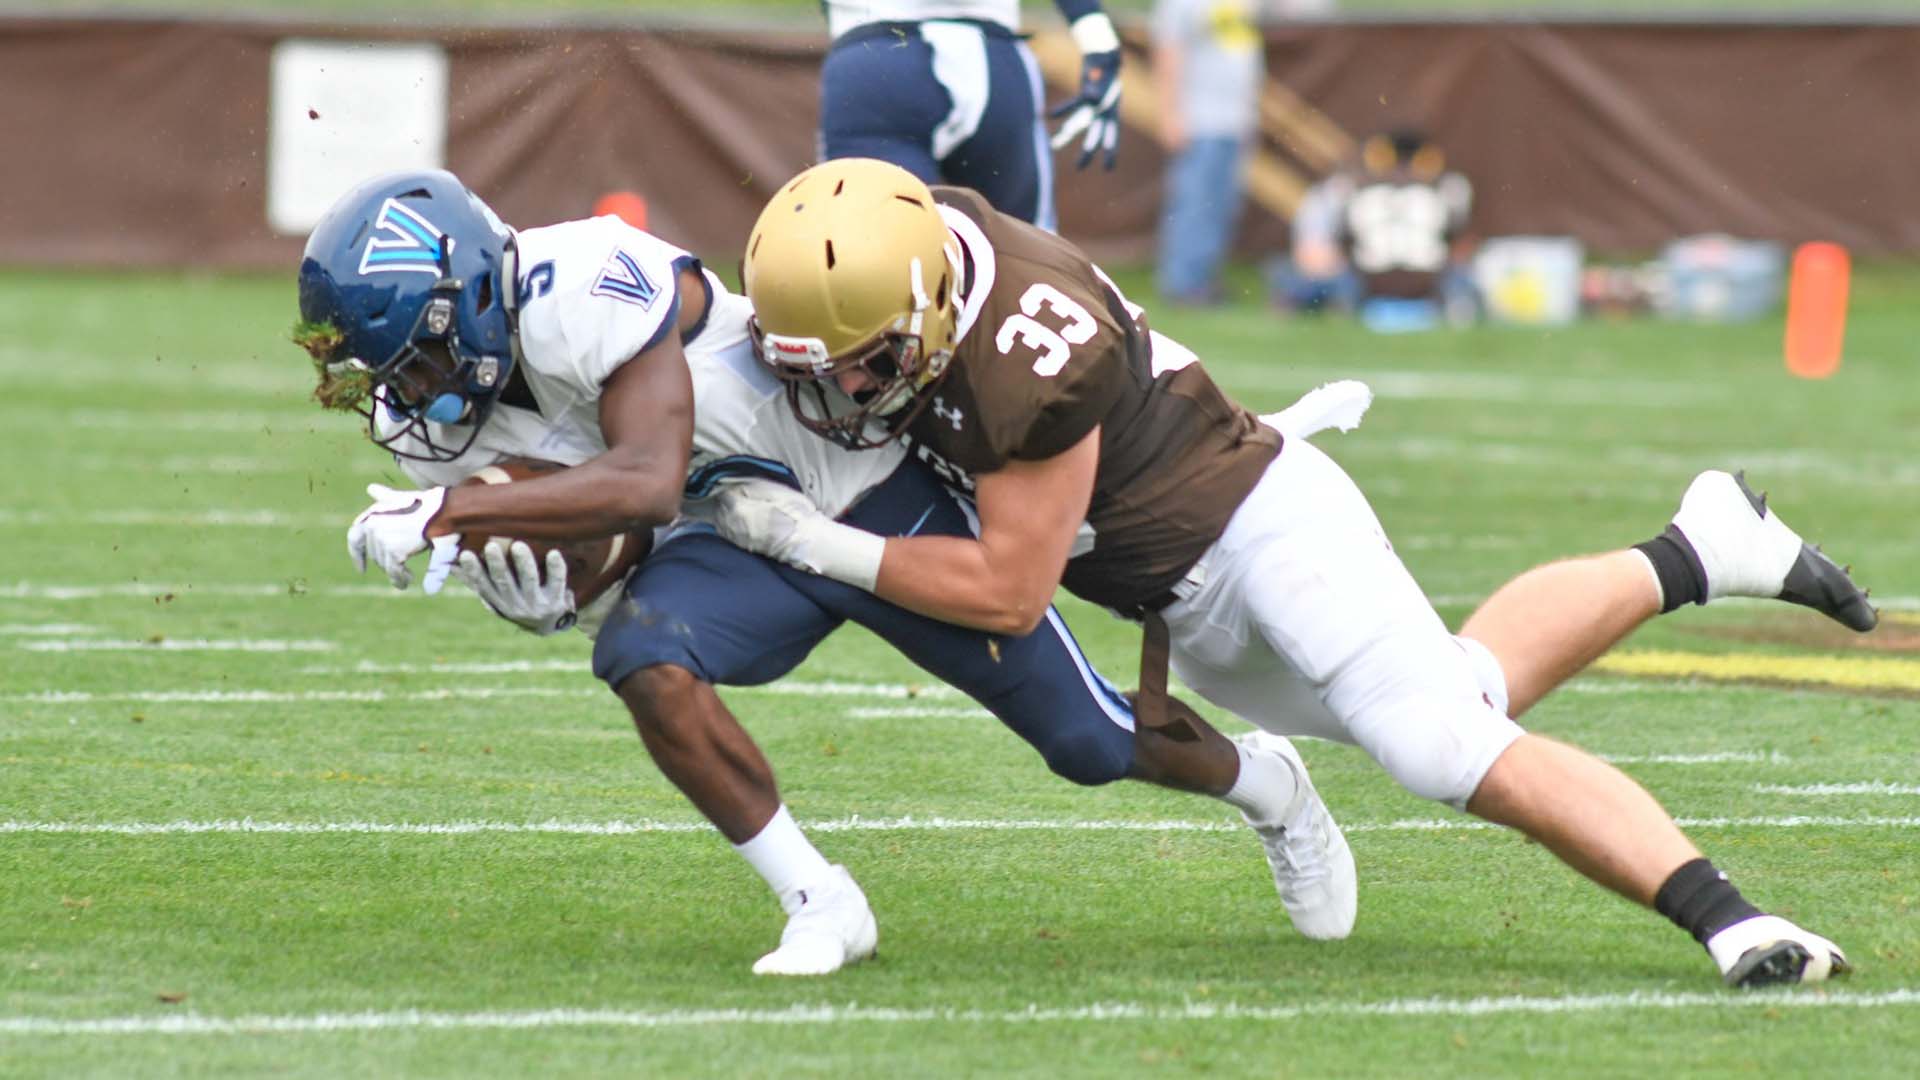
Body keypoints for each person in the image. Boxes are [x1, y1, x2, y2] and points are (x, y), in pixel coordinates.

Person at [714, 156, 1876, 987]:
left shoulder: (1032, 346)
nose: (845, 394)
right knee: (1459, 688)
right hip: (1178, 588)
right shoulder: (899, 246)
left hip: (1257, 522)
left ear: (924, 306)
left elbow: (1011, 593)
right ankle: (1702, 546)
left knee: (1439, 744)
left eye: (864, 366)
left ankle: (1731, 921)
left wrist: (811, 540)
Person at [290, 168, 1355, 979]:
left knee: (1086, 742)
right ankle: (819, 899)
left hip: (871, 490)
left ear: (471, 294)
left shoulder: (579, 278)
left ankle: (1268, 787)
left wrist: (454, 512)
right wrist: (556, 601)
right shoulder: (433, 434)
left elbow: (649, 476)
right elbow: (612, 544)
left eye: (418, 355)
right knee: (642, 655)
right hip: (737, 533)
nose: (407, 387)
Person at [818, 0, 1125, 230]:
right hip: (992, 59)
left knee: (869, 257)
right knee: (1026, 260)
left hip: (874, 58)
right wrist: (1096, 38)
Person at [1269, 128, 1480, 329]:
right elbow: (1461, 248)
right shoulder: (1449, 187)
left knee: (1290, 270)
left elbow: (1320, 241)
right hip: (1427, 287)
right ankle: (1458, 306)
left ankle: (1319, 304)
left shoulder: (1352, 184)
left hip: (1367, 285)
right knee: (1464, 273)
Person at [1151, 0, 1264, 306]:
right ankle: (1182, 282)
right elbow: (1169, 52)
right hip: (1199, 119)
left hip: (1236, 119)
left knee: (1221, 204)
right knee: (1195, 200)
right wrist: (1170, 113)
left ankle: (1202, 277)